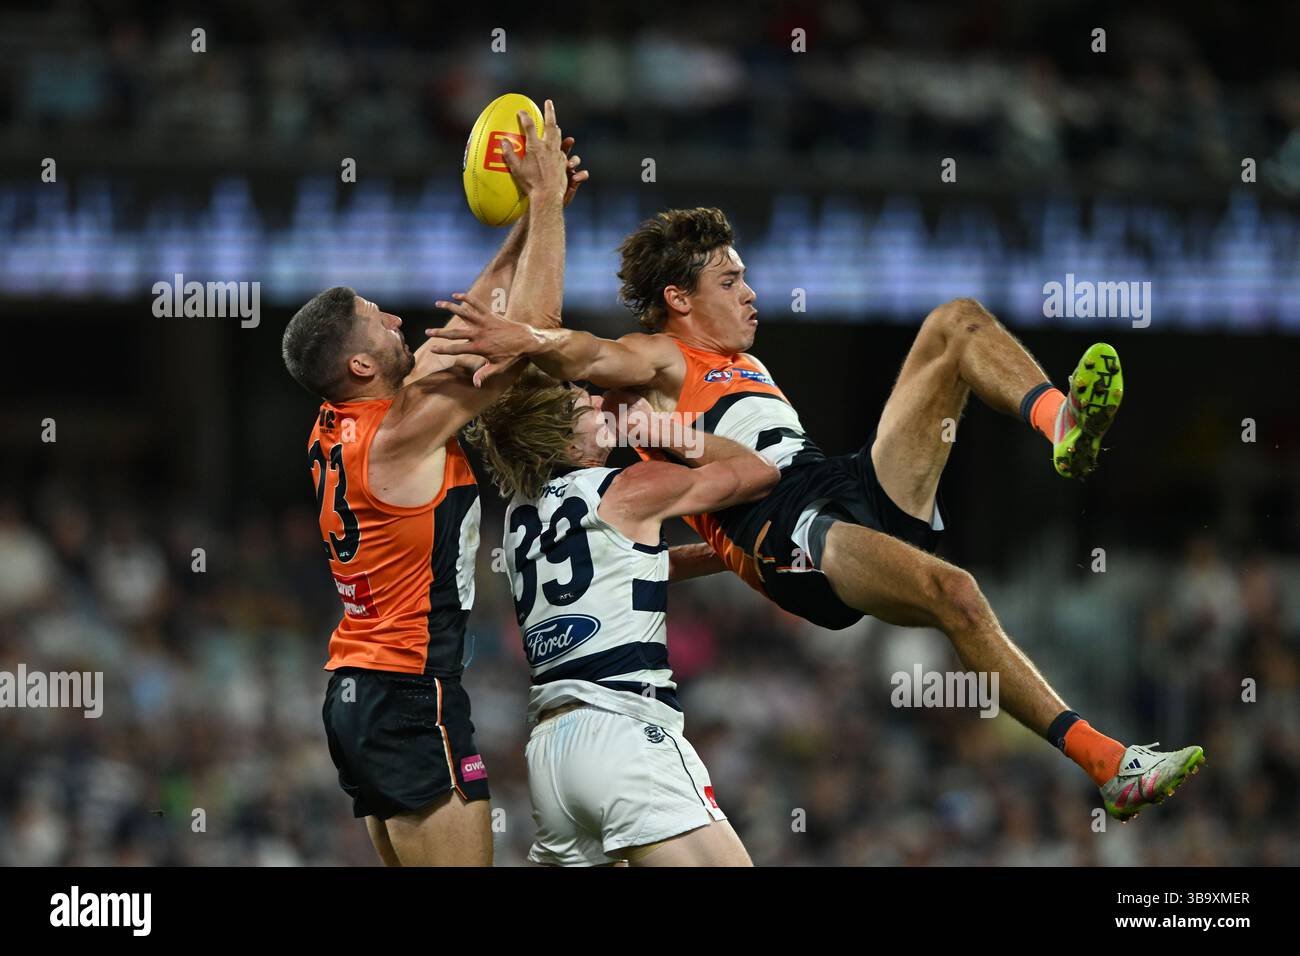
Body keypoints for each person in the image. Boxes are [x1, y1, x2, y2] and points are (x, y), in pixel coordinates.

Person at [424, 206, 1204, 821]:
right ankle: (1112, 764)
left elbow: (686, 532)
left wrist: (705, 556)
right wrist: (523, 332)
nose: (750, 292)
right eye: (729, 281)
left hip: (831, 483)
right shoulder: (659, 357)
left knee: (956, 322)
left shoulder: (742, 363)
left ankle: (1060, 424)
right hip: (780, 518)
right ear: (679, 300)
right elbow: (582, 354)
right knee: (956, 595)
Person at [280, 100, 584, 864]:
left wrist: (528, 221)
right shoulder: (398, 431)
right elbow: (532, 334)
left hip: (363, 691)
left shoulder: (350, 420)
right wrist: (544, 202)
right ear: (358, 365)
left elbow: (473, 319)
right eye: (376, 320)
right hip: (411, 694)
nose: (394, 318)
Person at [465, 369, 777, 864]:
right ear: (563, 439)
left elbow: (631, 565)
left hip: (551, 757)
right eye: (582, 404)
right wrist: (658, 429)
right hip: (624, 729)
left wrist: (725, 556)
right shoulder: (631, 485)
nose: (596, 399)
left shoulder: (517, 516)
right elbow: (760, 474)